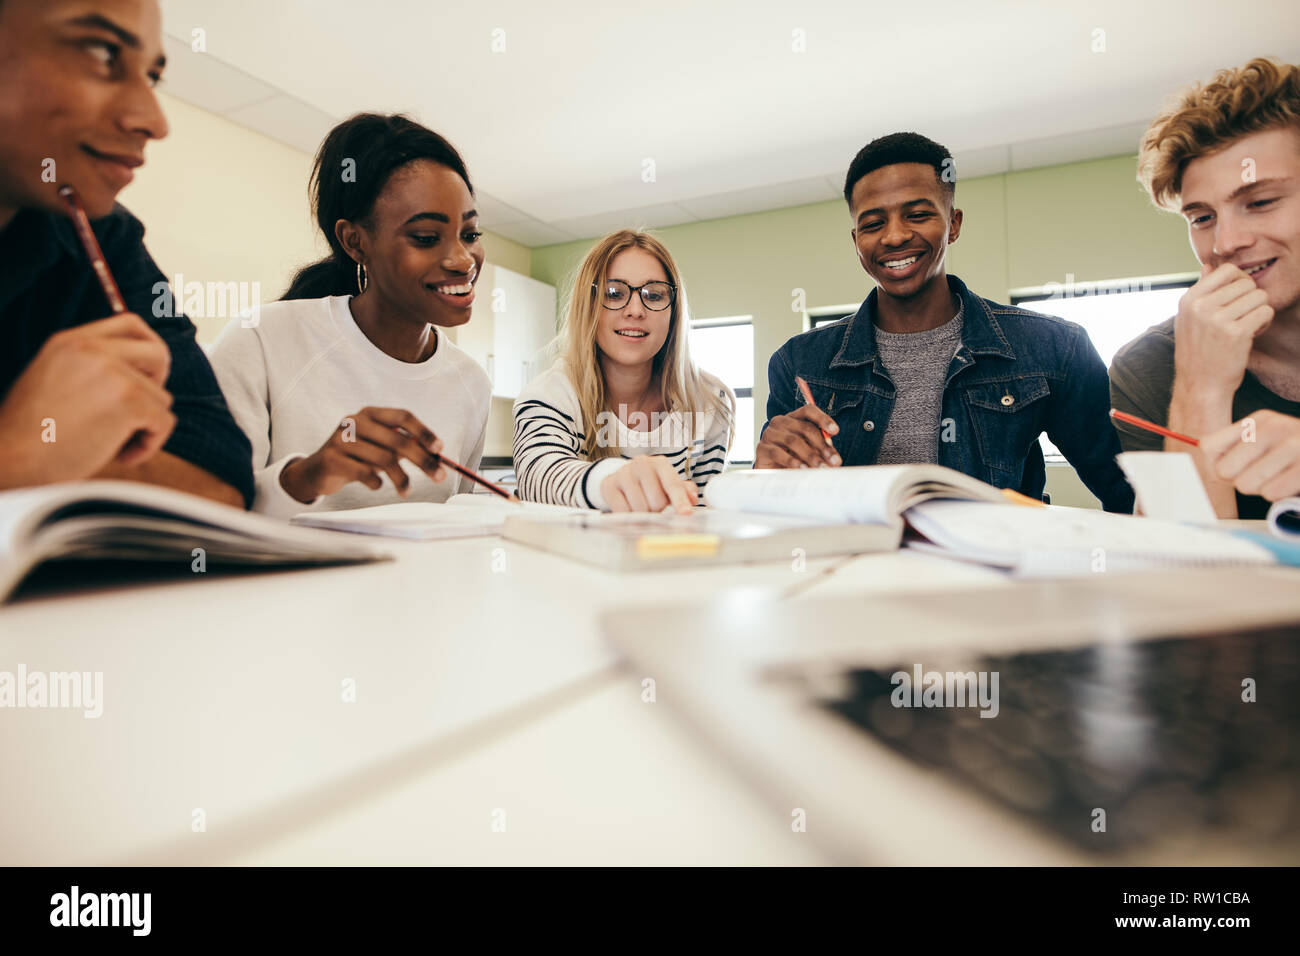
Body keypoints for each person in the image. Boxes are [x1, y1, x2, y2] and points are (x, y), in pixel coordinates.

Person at [756, 132, 1133, 511]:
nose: (895, 236)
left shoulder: (1053, 347)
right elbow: (777, 506)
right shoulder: (799, 363)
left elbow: (1129, 494)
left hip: (991, 566)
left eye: (917, 215)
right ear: (856, 240)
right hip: (849, 568)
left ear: (953, 223)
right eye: (873, 224)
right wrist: (765, 476)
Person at [0, 0, 252, 506]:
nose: (155, 122)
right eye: (101, 51)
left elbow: (220, 476)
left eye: (152, 76)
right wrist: (19, 458)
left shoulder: (102, 237)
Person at [209, 114, 490, 517]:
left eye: (471, 234)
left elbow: (453, 523)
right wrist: (307, 476)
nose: (463, 260)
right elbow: (210, 518)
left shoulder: (472, 383)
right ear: (355, 242)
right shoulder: (260, 340)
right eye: (426, 237)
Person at [1111, 57, 1300, 518]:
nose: (1226, 243)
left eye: (1260, 202)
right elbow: (1183, 572)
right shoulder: (1150, 364)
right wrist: (1200, 389)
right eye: (1202, 218)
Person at [512, 230, 734, 513]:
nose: (635, 310)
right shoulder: (550, 394)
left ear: (674, 311)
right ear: (588, 305)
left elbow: (703, 515)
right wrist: (611, 482)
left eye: (654, 295)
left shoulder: (710, 401)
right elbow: (537, 478)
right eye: (614, 293)